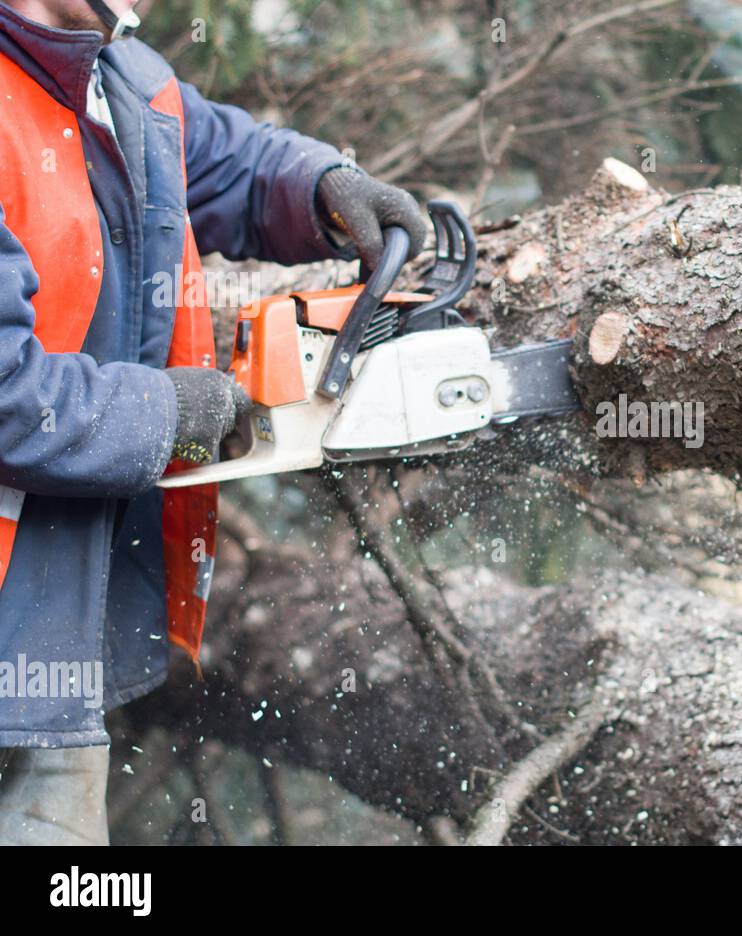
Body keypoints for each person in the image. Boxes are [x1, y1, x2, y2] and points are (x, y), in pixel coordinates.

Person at [0, 0, 427, 844]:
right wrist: (174, 413)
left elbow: (220, 157)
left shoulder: (115, 79)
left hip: (48, 657)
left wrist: (322, 187)